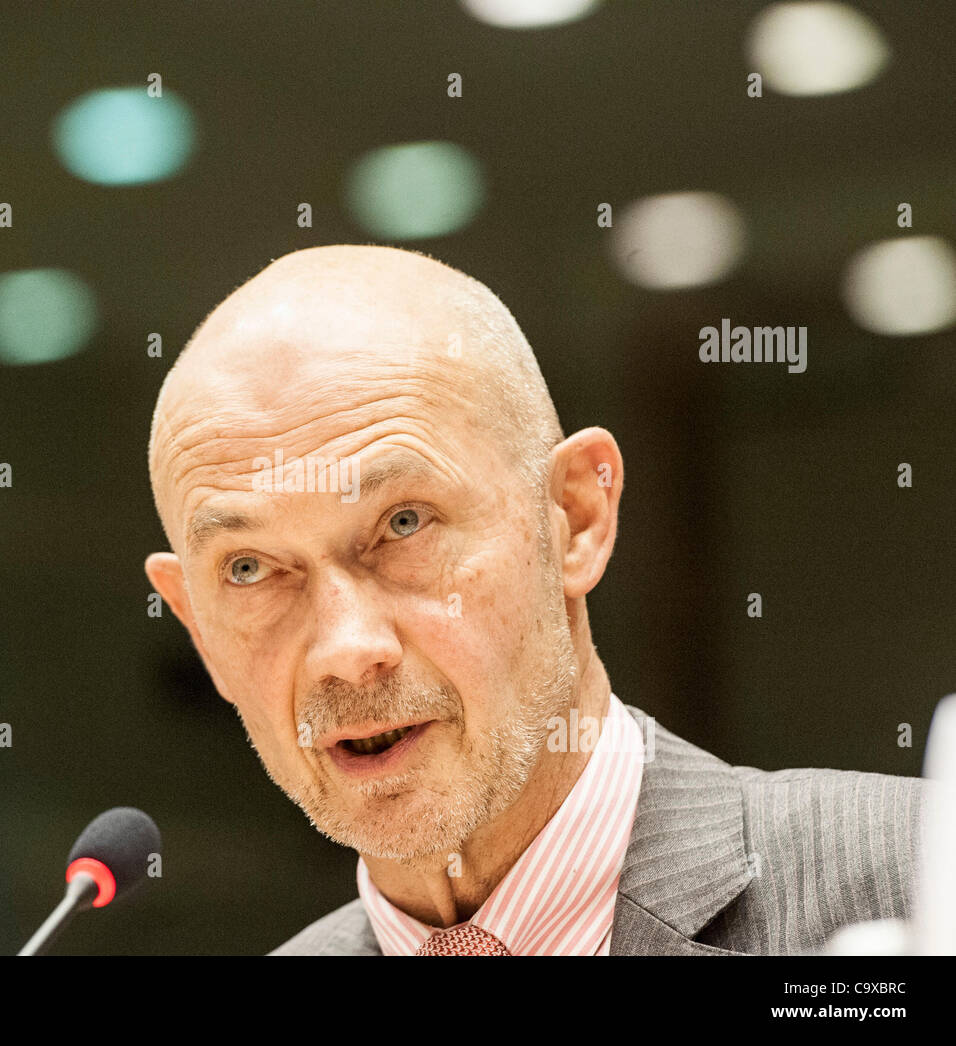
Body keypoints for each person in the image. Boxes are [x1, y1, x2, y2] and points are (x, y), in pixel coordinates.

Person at [143, 244, 922, 955]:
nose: (347, 649)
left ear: (576, 519)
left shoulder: (914, 879)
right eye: (248, 568)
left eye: (403, 524)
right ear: (199, 630)